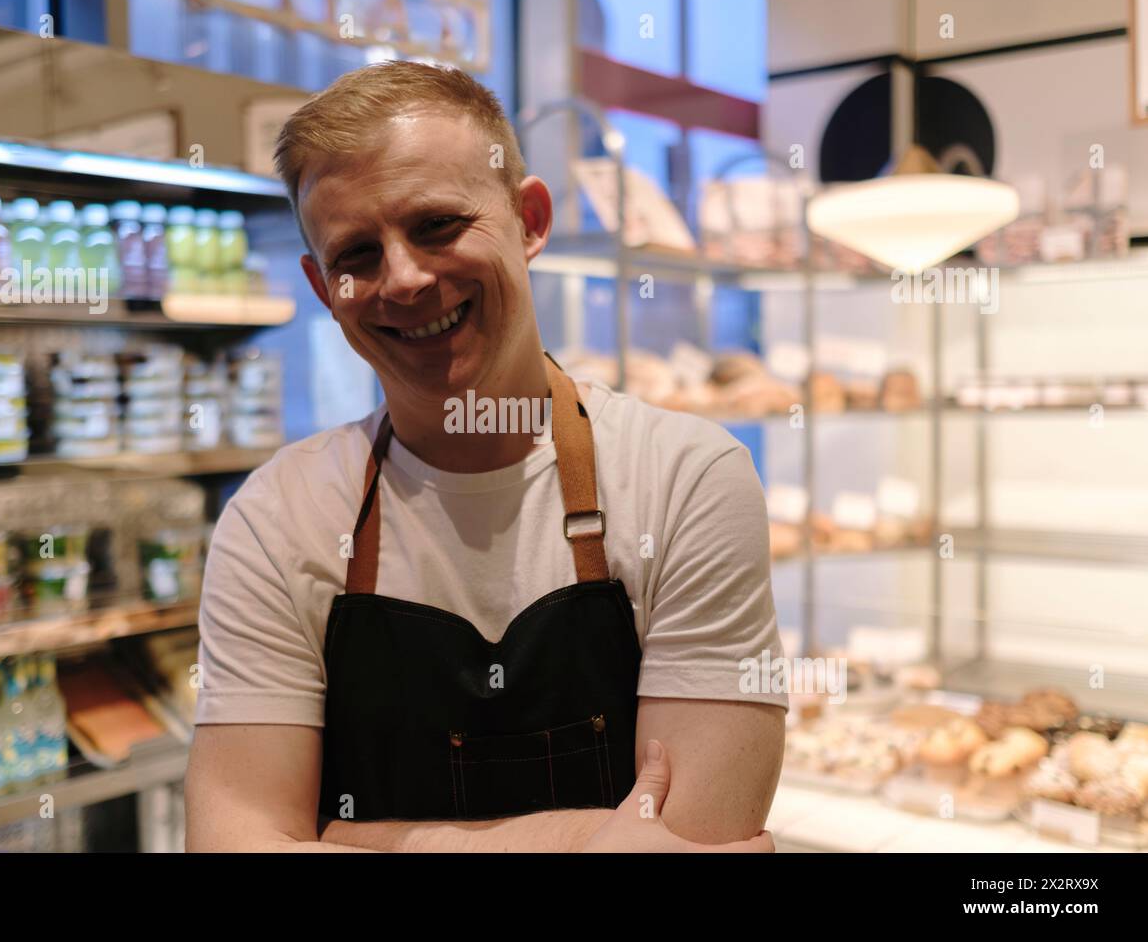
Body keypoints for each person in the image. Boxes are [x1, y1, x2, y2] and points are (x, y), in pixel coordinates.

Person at [185, 61, 786, 852]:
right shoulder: (274, 520)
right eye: (357, 255)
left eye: (435, 225)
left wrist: (353, 839)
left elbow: (695, 838)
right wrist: (581, 841)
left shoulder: (687, 478)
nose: (401, 279)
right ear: (323, 288)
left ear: (529, 219)